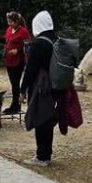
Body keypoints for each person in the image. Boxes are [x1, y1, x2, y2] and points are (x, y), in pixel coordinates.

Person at [20, 10, 65, 167]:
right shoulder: (57, 40)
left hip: (41, 87)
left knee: (40, 119)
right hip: (55, 86)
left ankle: (42, 157)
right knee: (48, 119)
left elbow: (31, 69)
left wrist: (22, 89)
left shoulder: (39, 43)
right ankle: (47, 154)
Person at [0, 11, 32, 114]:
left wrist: (18, 50)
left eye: (11, 22)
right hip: (9, 60)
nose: (9, 24)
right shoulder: (9, 29)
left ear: (17, 21)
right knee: (13, 83)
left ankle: (15, 106)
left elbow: (28, 45)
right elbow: (5, 39)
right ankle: (16, 104)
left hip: (18, 61)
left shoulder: (23, 31)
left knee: (15, 84)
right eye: (8, 21)